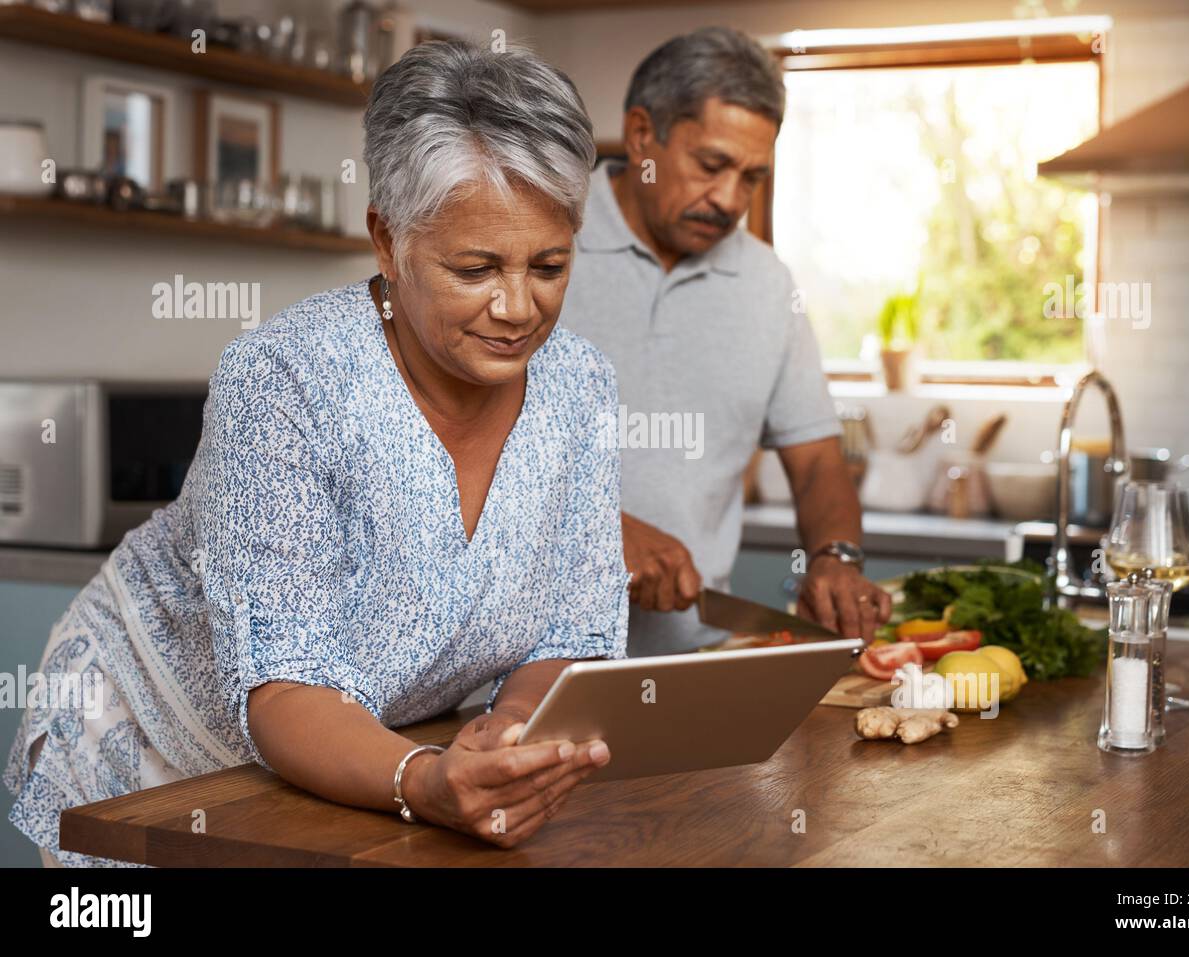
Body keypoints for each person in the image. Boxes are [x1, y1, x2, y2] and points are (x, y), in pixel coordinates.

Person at [4, 40, 627, 866]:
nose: (518, 307)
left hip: (375, 762)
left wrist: (506, 742)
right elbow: (284, 683)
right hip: (160, 737)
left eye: (549, 265)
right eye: (476, 268)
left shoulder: (580, 385)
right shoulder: (285, 379)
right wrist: (422, 778)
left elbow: (573, 632)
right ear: (386, 239)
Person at [560, 26, 892, 655]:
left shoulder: (768, 285)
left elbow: (818, 458)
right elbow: (454, 443)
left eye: (752, 178)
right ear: (641, 135)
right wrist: (596, 532)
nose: (729, 199)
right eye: (711, 166)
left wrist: (835, 556)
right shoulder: (543, 243)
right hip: (514, 667)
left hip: (696, 658)